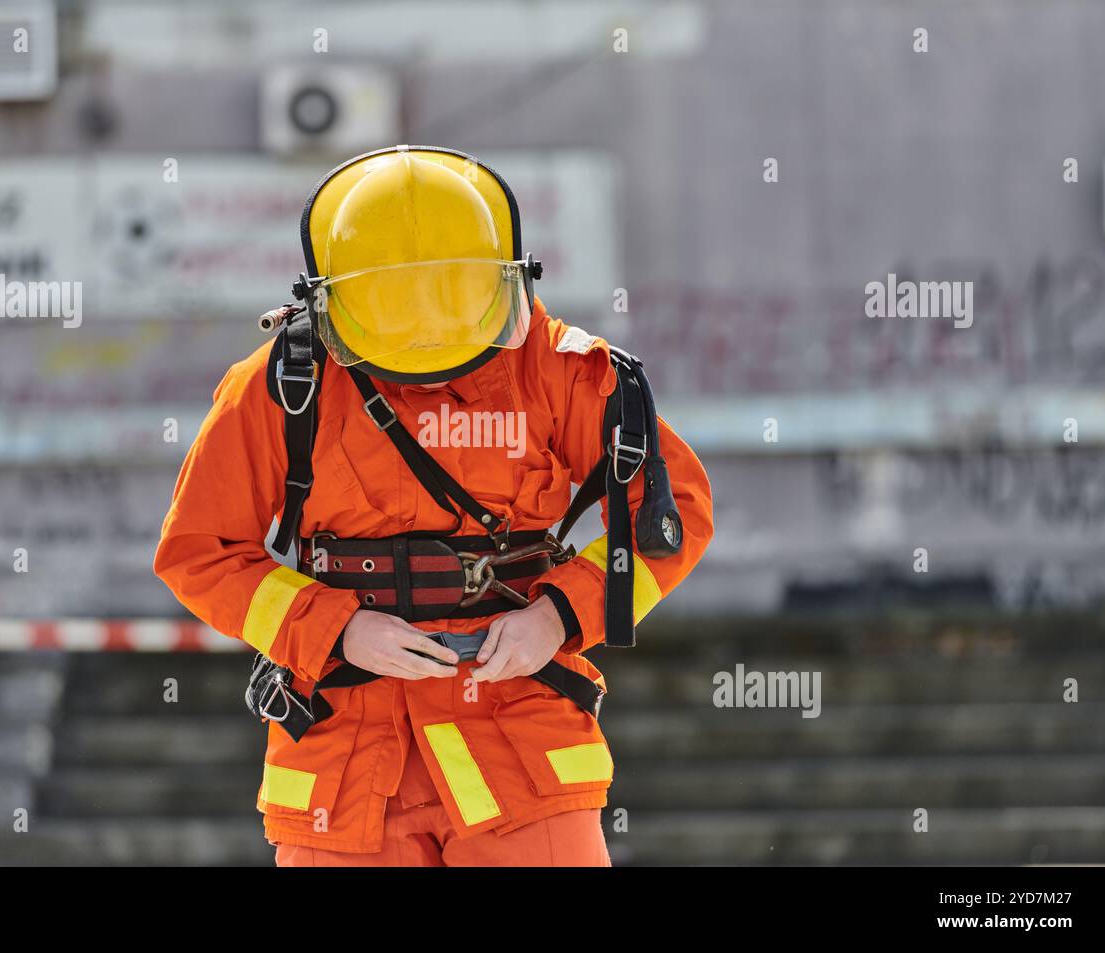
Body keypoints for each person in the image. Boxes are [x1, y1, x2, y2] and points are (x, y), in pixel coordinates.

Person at [154, 145, 713, 866]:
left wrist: (558, 616)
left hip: (519, 744)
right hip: (346, 757)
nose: (424, 331)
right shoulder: (284, 382)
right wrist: (338, 630)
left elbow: (673, 515)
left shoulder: (556, 367)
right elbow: (197, 551)